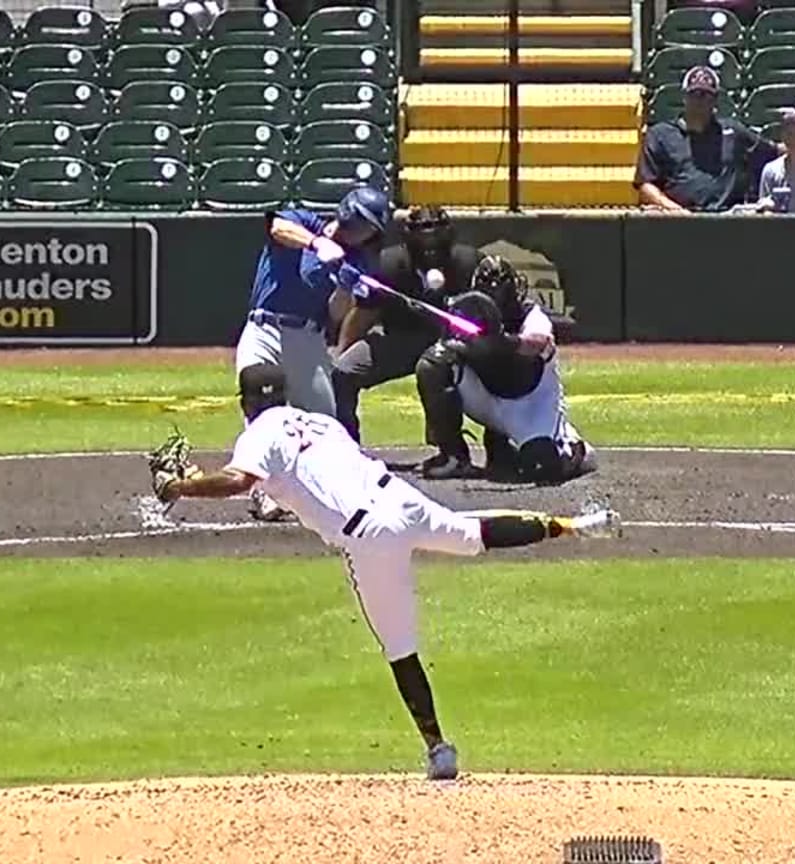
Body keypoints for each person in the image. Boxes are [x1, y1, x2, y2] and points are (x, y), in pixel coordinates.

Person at [147, 363, 621, 780]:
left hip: (370, 536)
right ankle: (573, 525)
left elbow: (239, 481)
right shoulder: (321, 422)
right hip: (400, 497)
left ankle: (439, 748)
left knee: (401, 648)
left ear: (245, 403)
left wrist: (182, 486)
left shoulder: (257, 436)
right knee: (469, 533)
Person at [234, 185, 390, 521]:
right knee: (260, 412)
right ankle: (266, 493)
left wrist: (347, 286)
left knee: (324, 421)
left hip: (307, 337)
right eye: (364, 225)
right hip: (264, 329)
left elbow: (336, 314)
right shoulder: (304, 221)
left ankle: (337, 491)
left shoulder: (358, 260)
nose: (365, 235)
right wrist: (317, 243)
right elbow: (278, 228)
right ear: (349, 214)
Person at [414, 255, 596, 483]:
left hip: (531, 409)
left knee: (543, 466)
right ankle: (453, 456)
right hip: (486, 399)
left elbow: (538, 342)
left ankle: (569, 446)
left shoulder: (531, 315)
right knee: (433, 364)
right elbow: (444, 347)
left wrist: (501, 342)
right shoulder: (467, 314)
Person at [331, 205, 481, 443]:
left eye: (436, 235)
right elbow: (363, 314)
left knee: (442, 367)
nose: (430, 244)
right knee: (342, 373)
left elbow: (488, 316)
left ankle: (461, 450)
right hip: (401, 340)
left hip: (455, 345)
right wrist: (342, 352)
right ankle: (345, 445)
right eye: (423, 236)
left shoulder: (469, 262)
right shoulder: (388, 264)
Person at [635, 65, 795, 212]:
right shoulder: (661, 134)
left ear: (716, 99)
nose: (700, 100)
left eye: (707, 95)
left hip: (727, 220)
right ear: (685, 96)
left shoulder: (733, 132)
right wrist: (674, 210)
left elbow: (774, 150)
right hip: (678, 220)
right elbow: (645, 185)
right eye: (695, 94)